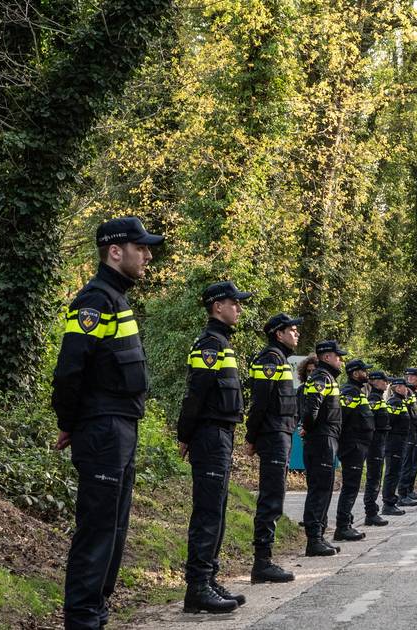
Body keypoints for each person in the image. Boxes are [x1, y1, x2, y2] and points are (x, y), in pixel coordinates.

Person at [52, 217, 163, 629]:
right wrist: (69, 421)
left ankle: (96, 614)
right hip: (101, 429)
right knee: (98, 531)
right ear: (116, 251)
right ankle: (82, 620)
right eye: (142, 248)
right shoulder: (94, 301)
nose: (148, 255)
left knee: (114, 530)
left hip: (120, 427)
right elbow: (69, 370)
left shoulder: (116, 298)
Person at [176, 281, 253, 614]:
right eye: (234, 303)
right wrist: (185, 435)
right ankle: (197, 588)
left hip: (222, 433)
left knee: (217, 510)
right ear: (217, 306)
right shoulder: (209, 343)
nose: (239, 308)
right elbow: (196, 394)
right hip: (208, 433)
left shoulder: (221, 341)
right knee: (208, 511)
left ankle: (208, 579)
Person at [246, 313, 302, 584]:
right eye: (292, 330)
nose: (296, 334)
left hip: (281, 433)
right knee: (271, 497)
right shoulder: (269, 359)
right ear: (278, 334)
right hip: (272, 434)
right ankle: (262, 562)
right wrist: (251, 436)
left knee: (275, 495)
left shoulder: (280, 359)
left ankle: (265, 559)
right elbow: (260, 402)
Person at [300, 340, 347, 557]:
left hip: (327, 439)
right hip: (321, 440)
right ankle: (314, 540)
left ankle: (319, 536)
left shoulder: (327, 378)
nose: (341, 360)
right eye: (338, 356)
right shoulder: (320, 377)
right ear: (327, 357)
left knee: (325, 489)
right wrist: (311, 430)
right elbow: (311, 412)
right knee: (319, 490)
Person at [334, 358, 374, 542]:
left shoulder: (357, 391)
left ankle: (346, 523)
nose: (367, 374)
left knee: (352, 485)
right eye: (364, 371)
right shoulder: (349, 391)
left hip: (358, 445)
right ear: (355, 373)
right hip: (352, 445)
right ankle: (342, 527)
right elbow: (342, 417)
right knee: (350, 486)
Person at [363, 371, 396, 525]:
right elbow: (370, 423)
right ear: (375, 382)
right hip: (374, 444)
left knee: (376, 478)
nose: (386, 383)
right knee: (373, 479)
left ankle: (372, 512)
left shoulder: (379, 398)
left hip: (380, 443)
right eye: (384, 381)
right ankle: (370, 513)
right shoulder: (373, 399)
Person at [382, 378, 416, 513]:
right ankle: (388, 504)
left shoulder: (401, 401)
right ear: (396, 388)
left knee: (396, 472)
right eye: (403, 387)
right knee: (392, 473)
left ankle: (392, 501)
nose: (406, 389)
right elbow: (390, 421)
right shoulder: (394, 402)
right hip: (393, 442)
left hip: (400, 442)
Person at [396, 369, 417, 503]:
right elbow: (408, 415)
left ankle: (408, 490)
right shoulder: (406, 392)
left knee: (413, 463)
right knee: (407, 464)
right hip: (408, 433)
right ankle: (402, 494)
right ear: (409, 377)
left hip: (415, 432)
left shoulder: (412, 393)